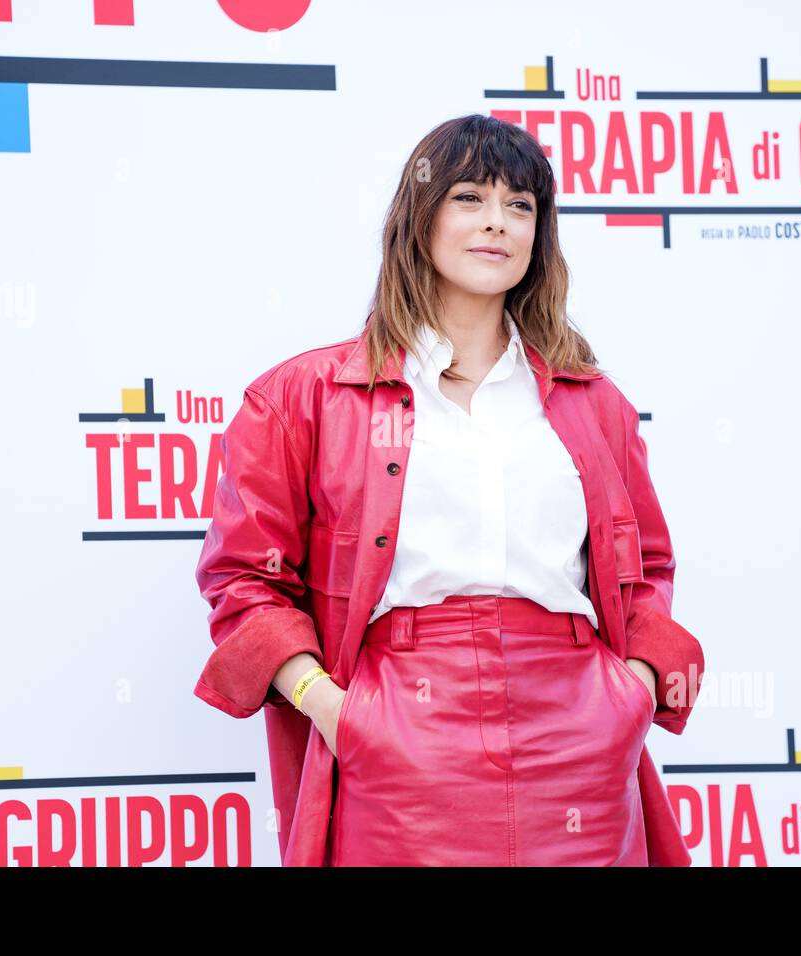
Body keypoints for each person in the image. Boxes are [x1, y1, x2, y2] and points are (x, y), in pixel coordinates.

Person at [192, 114, 704, 866]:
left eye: (521, 204)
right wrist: (332, 709)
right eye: (470, 196)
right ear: (418, 219)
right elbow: (243, 580)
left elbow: (646, 572)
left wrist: (629, 694)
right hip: (400, 733)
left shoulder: (594, 404)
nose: (498, 222)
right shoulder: (304, 395)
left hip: (581, 736)